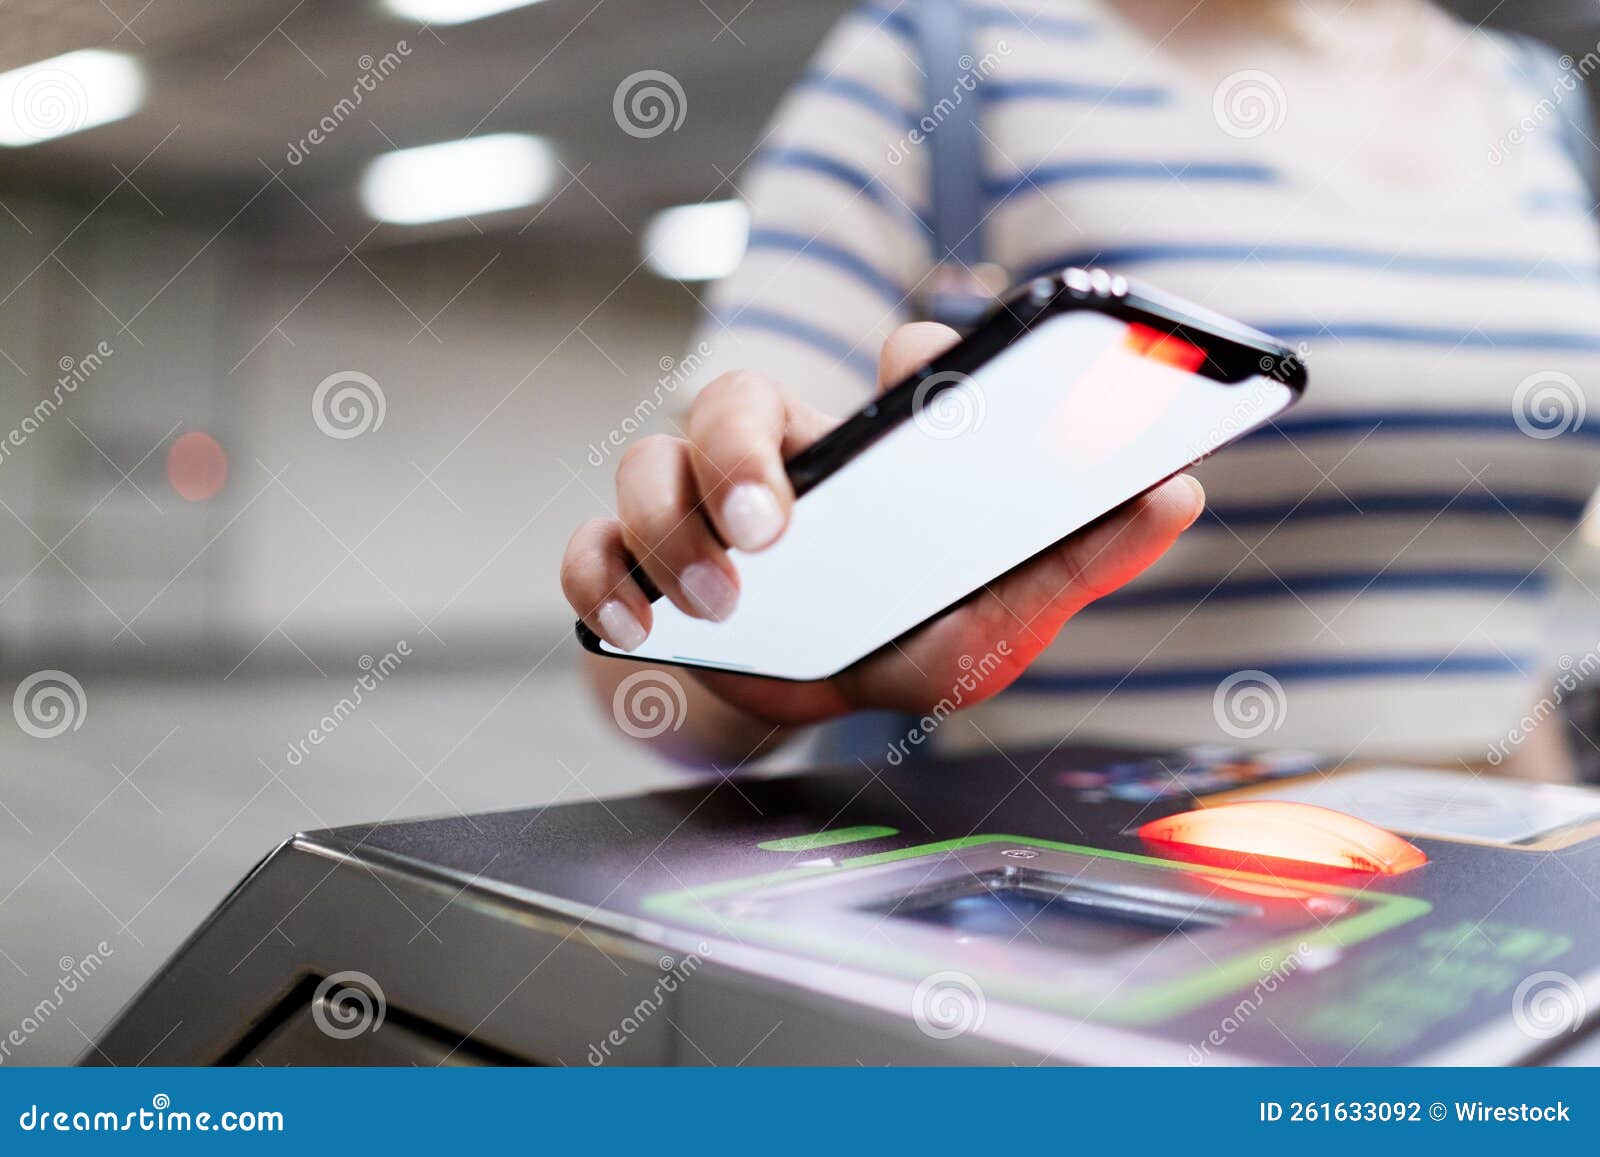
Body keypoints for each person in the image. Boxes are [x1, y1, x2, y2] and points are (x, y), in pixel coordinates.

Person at [562, 0, 1600, 777]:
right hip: (1100, 927)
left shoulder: (1537, 97)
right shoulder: (942, 61)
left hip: (1486, 933)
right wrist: (744, 645)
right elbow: (649, 669)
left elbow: (1503, 621)